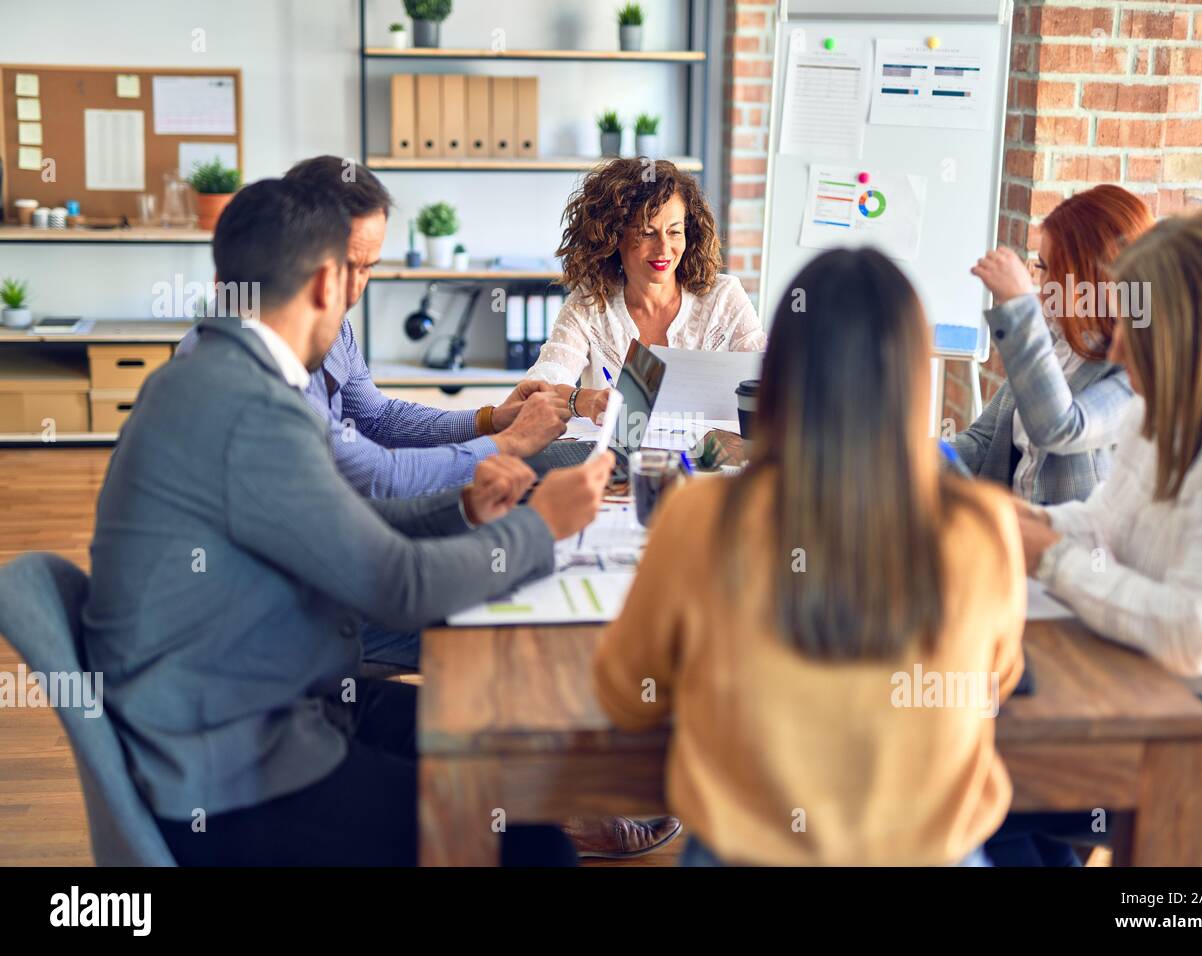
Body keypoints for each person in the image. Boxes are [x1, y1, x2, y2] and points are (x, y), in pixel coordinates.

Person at [83, 177, 617, 865]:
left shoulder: (213, 376)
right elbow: (396, 586)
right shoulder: (254, 407)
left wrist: (459, 506)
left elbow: (347, 520)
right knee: (535, 847)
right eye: (356, 272)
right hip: (235, 772)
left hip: (260, 701)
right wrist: (540, 525)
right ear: (327, 281)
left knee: (506, 756)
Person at [593, 248, 1026, 866]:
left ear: (780, 376)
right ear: (912, 376)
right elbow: (997, 682)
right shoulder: (983, 527)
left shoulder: (697, 520)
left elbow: (625, 697)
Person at [1001, 211, 1202, 865]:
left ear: (1184, 336)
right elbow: (1103, 526)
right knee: (991, 768)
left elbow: (1195, 633)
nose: (1112, 349)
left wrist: (1048, 557)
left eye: (1131, 330)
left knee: (992, 790)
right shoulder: (1154, 414)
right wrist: (1026, 523)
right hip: (1156, 697)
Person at [176, 156, 570, 500]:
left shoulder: (332, 326)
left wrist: (491, 421)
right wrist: (507, 445)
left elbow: (377, 418)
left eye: (368, 268)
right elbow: (375, 476)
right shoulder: (252, 363)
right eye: (346, 265)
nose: (353, 288)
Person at [952, 184, 1152, 504]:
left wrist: (1020, 309)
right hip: (1019, 531)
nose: (1041, 285)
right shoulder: (1058, 338)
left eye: (1047, 270)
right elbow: (984, 439)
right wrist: (910, 457)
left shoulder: (1143, 368)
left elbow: (1061, 428)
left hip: (1078, 546)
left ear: (1092, 275)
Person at [525, 158, 766, 421]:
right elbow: (536, 389)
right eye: (647, 233)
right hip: (617, 460)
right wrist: (582, 399)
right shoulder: (590, 303)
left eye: (674, 232)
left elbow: (770, 382)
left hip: (708, 460)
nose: (664, 249)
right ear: (614, 237)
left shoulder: (724, 297)